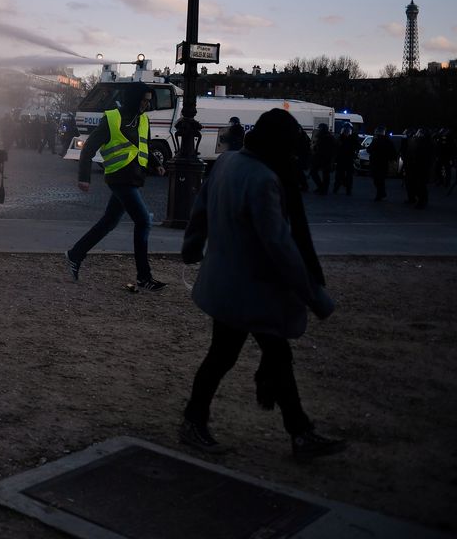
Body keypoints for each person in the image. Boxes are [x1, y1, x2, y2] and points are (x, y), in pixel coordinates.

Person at [179, 109, 345, 460]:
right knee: (240, 357)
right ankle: (295, 433)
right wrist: (315, 296)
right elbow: (280, 246)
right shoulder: (265, 180)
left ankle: (298, 431)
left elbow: (201, 208)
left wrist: (191, 245)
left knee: (244, 356)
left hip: (227, 283)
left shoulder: (226, 162)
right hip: (252, 289)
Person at [65, 84, 166, 292]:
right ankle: (143, 277)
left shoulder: (143, 119)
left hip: (133, 177)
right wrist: (84, 177)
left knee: (109, 222)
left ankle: (75, 254)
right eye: (144, 100)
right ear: (133, 99)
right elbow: (88, 148)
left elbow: (143, 144)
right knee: (143, 221)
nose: (146, 104)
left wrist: (156, 164)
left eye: (149, 100)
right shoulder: (112, 118)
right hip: (119, 177)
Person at [403, 128, 433, 209]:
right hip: (416, 167)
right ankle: (417, 199)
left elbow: (426, 157)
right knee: (415, 184)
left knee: (421, 185)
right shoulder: (417, 142)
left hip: (422, 168)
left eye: (420, 134)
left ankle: (422, 201)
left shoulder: (426, 143)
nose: (418, 135)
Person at [367, 128, 395, 201]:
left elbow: (369, 149)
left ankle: (380, 194)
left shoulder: (376, 141)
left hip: (377, 163)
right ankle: (381, 193)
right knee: (380, 180)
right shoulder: (388, 141)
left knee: (378, 180)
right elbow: (393, 152)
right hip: (383, 163)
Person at [331, 128, 359, 196]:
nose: (346, 133)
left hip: (348, 160)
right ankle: (337, 187)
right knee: (339, 176)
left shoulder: (352, 139)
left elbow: (357, 146)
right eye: (345, 132)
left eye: (347, 132)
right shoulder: (340, 138)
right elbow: (335, 147)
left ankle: (348, 189)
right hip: (341, 160)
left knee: (349, 176)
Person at [309, 123, 336, 195]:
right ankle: (321, 187)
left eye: (320, 128)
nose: (319, 130)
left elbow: (333, 149)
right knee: (314, 172)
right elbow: (316, 146)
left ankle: (324, 189)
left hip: (326, 158)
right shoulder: (320, 136)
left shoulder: (328, 137)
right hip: (319, 157)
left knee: (325, 174)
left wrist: (331, 159)